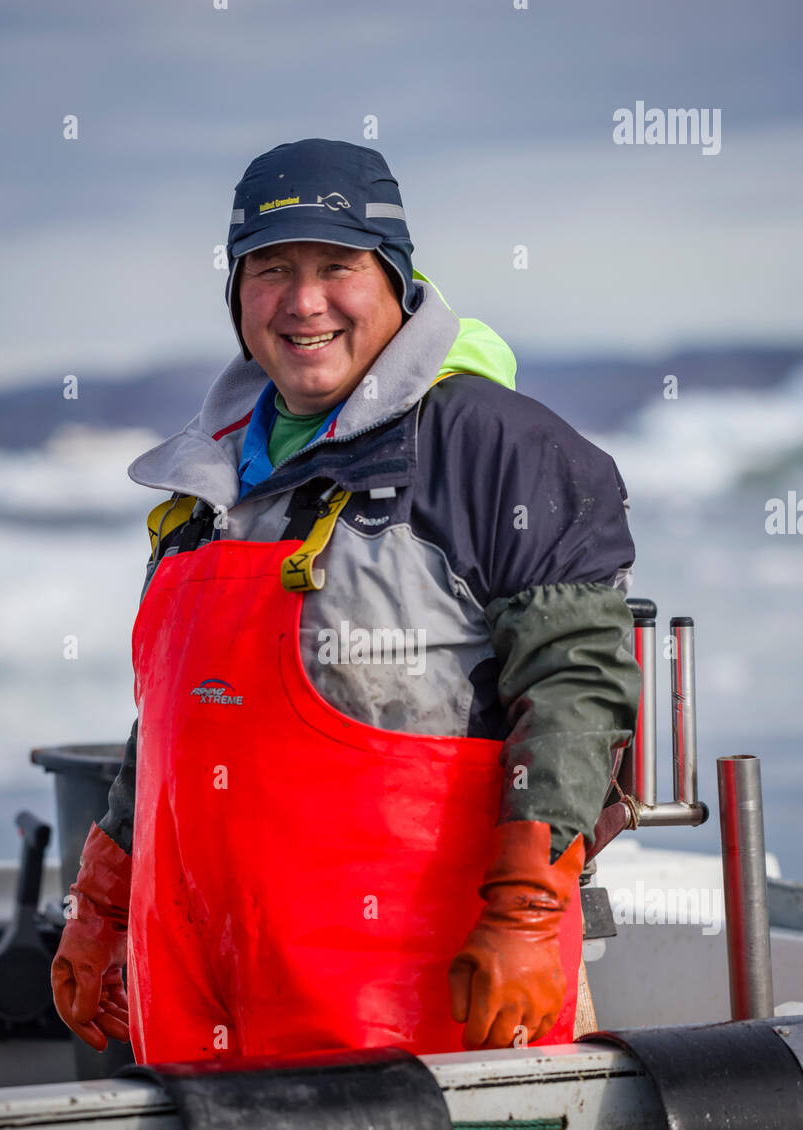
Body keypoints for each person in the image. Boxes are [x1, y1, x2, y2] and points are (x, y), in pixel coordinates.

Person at [50, 137, 641, 1065]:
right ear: (237, 293)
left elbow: (576, 684)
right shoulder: (204, 478)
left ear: (397, 283)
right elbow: (174, 718)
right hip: (204, 999)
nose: (303, 301)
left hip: (416, 1000)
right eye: (271, 269)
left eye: (338, 267)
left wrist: (528, 912)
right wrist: (103, 900)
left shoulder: (496, 448)